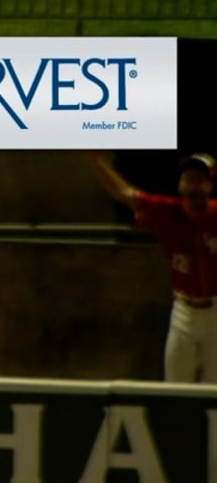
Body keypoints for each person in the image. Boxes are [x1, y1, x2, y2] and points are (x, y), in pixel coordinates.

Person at [84, 151, 217, 383]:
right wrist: (96, 162)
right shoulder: (167, 211)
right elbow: (124, 193)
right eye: (187, 178)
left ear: (209, 185)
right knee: (175, 388)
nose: (192, 185)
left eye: (199, 179)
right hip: (184, 311)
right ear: (179, 185)